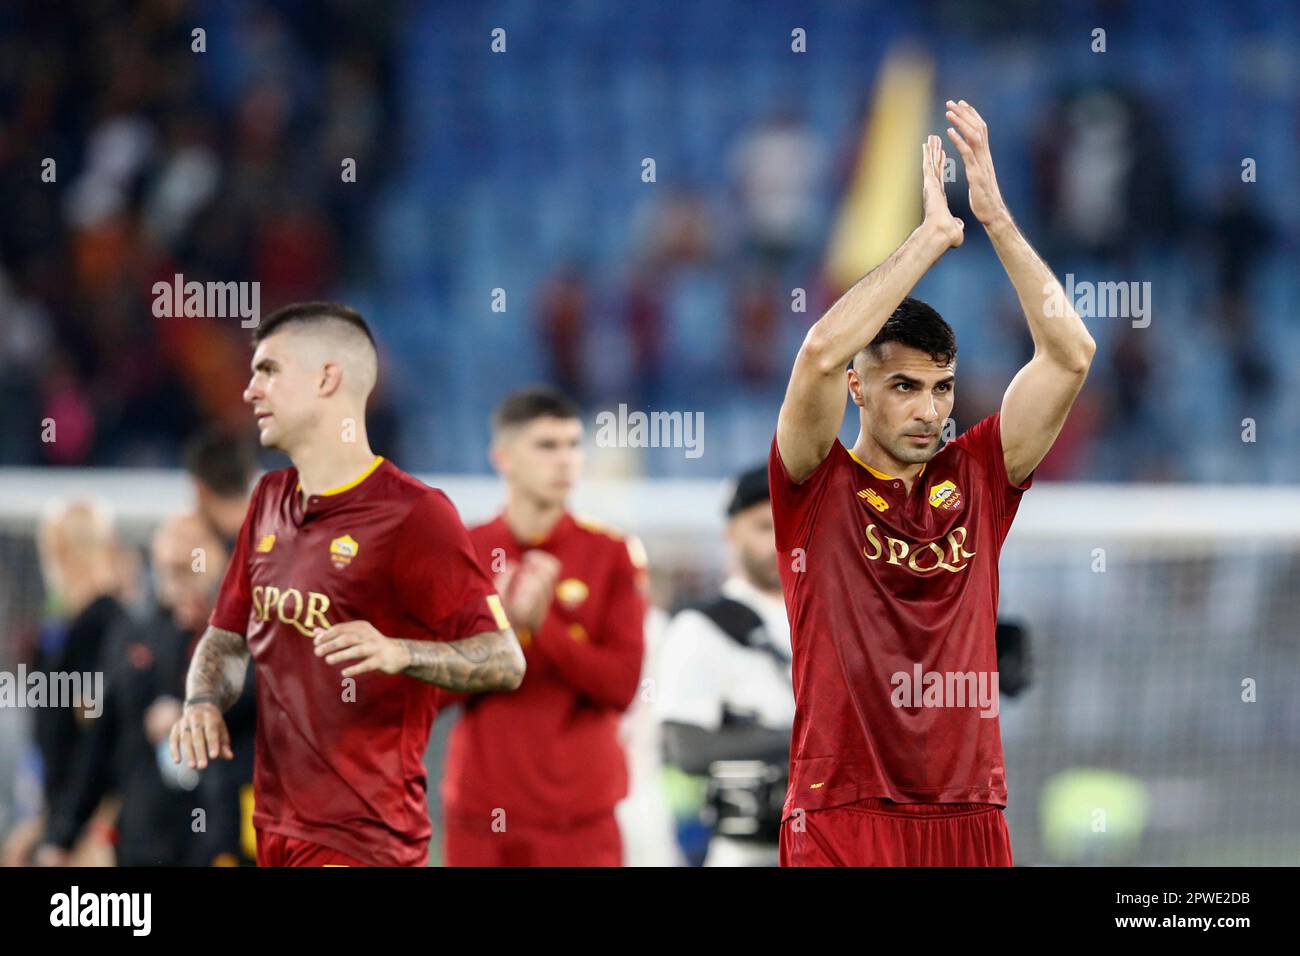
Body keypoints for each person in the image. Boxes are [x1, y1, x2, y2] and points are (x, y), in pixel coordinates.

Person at [770, 102, 1095, 866]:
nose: (929, 410)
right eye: (905, 386)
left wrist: (995, 218)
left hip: (970, 813)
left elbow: (1071, 354)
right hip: (842, 813)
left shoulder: (979, 474)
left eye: (942, 387)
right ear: (858, 387)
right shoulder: (815, 482)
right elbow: (818, 351)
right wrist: (931, 240)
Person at [169, 302, 525, 867]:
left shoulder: (415, 515)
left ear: (328, 378)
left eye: (268, 370)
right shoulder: (267, 503)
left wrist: (398, 651)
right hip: (275, 828)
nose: (249, 391)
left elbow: (505, 661)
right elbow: (227, 636)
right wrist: (203, 700)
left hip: (363, 840)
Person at [441, 387, 647, 866]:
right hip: (482, 817)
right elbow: (429, 693)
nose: (566, 460)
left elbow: (622, 686)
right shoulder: (463, 550)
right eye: (547, 446)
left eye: (574, 445)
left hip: (579, 819)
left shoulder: (611, 554)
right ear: (504, 457)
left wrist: (544, 629)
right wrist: (501, 632)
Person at [39, 515, 226, 866]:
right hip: (143, 842)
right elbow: (101, 744)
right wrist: (62, 835)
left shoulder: (238, 639)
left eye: (187, 570)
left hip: (218, 839)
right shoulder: (132, 637)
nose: (179, 584)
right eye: (170, 571)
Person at [658, 464, 791, 867]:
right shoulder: (701, 627)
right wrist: (810, 739)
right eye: (764, 527)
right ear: (730, 533)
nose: (780, 542)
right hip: (749, 851)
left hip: (838, 846)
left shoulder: (835, 618)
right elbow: (688, 748)